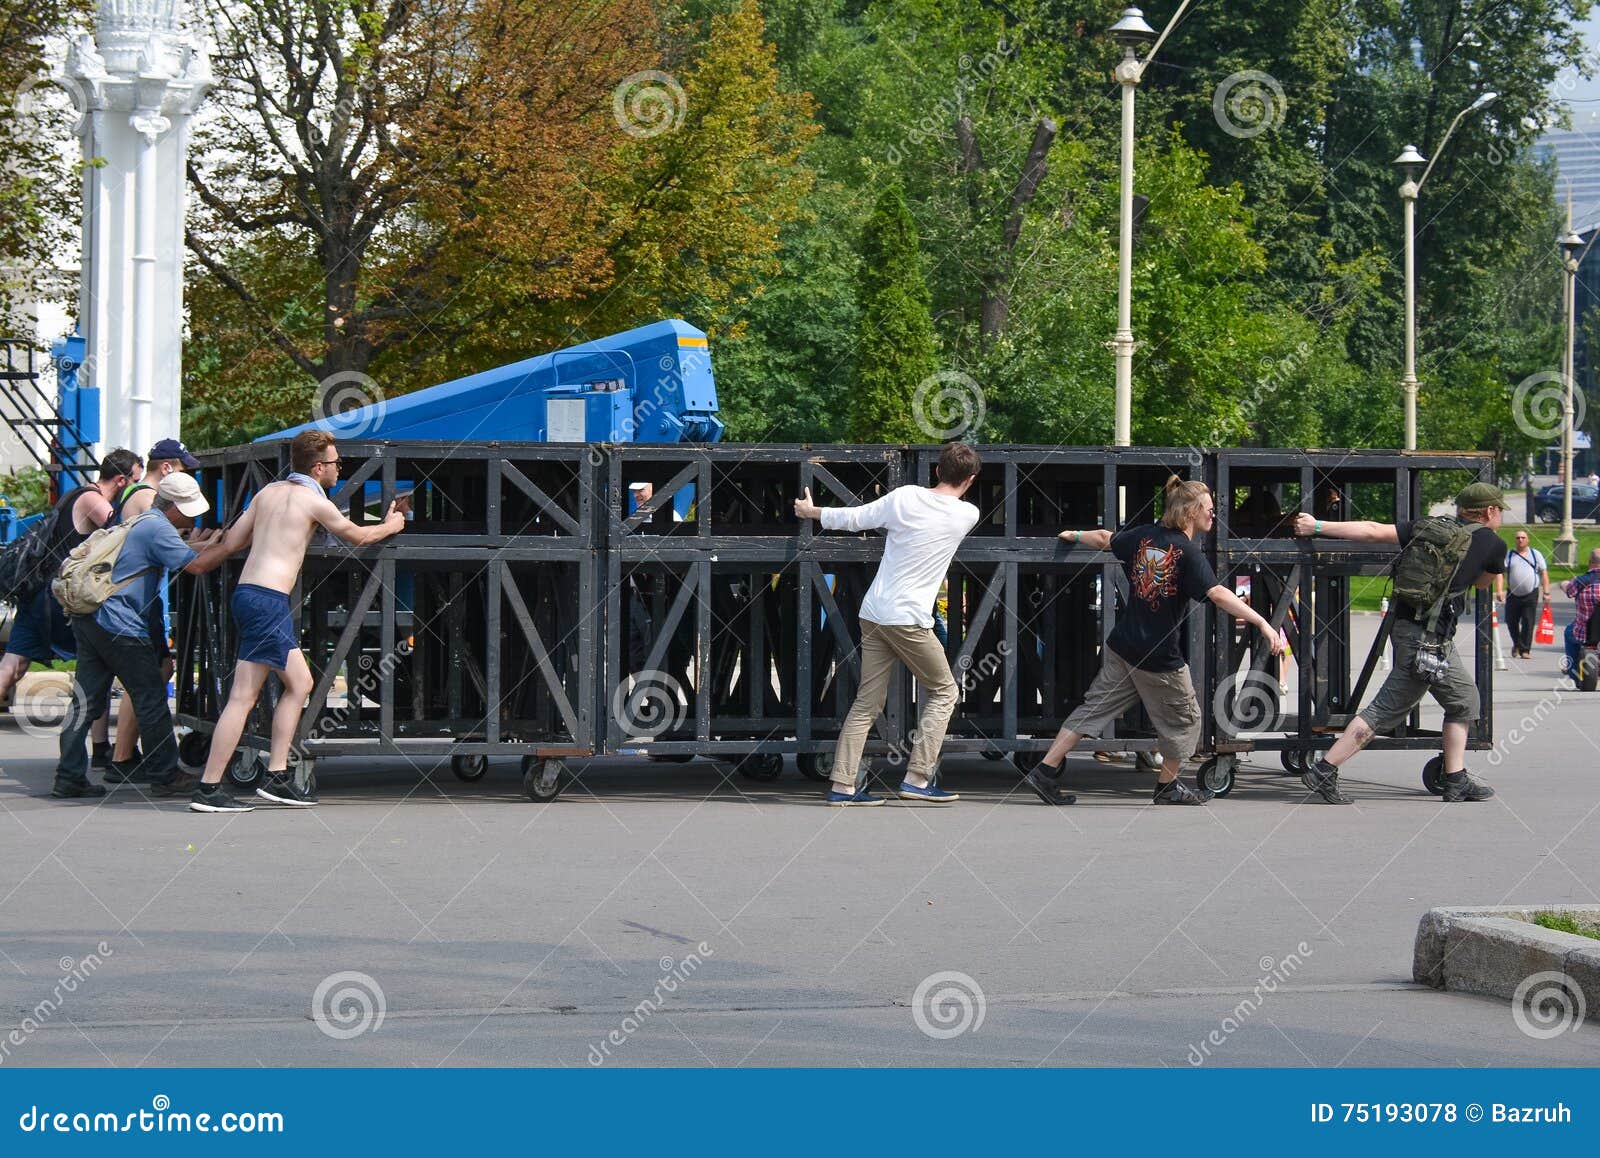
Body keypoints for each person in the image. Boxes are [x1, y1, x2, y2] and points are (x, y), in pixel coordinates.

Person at [1023, 476, 1285, 807]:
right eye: (1208, 508)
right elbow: (1217, 593)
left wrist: (1073, 535)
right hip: (1158, 656)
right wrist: (1262, 622)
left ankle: (1044, 772)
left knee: (1092, 710)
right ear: (1190, 512)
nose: (1213, 514)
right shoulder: (1187, 553)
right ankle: (1167, 787)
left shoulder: (1144, 536)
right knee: (1186, 721)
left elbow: (1104, 538)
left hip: (1124, 647)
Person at [193, 429, 408, 813]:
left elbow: (232, 543)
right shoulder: (313, 501)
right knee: (255, 694)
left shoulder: (267, 493)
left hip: (248, 594)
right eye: (337, 463)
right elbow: (359, 536)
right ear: (318, 467)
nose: (340, 470)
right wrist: (392, 525)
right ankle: (216, 787)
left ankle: (272, 776)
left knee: (281, 686)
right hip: (269, 601)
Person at [1290, 482, 1508, 804]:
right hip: (1428, 640)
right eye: (1500, 510)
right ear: (1490, 511)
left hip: (1411, 629)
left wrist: (1317, 526)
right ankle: (1325, 769)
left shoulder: (1429, 528)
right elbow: (1483, 583)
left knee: (1464, 700)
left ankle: (1455, 778)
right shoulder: (1494, 545)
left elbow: (1372, 530)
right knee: (1384, 711)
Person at [792, 441, 981, 806]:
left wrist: (811, 511)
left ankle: (843, 786)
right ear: (971, 480)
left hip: (875, 612)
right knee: (944, 693)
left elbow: (855, 519)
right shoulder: (967, 514)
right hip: (909, 619)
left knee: (866, 702)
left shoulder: (905, 497)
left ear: (937, 470)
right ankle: (918, 778)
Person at [51, 474, 231, 798]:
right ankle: (165, 775)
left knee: (85, 702)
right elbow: (197, 566)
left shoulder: (143, 522)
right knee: (150, 699)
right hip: (120, 625)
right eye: (189, 510)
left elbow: (182, 552)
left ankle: (69, 776)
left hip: (92, 618)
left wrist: (208, 544)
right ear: (173, 507)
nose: (194, 518)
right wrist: (231, 545)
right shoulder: (157, 528)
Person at [0, 450, 140, 718]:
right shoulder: (93, 500)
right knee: (100, 657)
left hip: (38, 590)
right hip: (57, 595)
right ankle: (95, 735)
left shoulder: (75, 493)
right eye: (135, 481)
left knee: (14, 664)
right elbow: (125, 536)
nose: (136, 489)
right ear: (121, 480)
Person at [101, 439, 203, 778]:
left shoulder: (135, 496)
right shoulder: (146, 499)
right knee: (149, 676)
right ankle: (124, 758)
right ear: (168, 467)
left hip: (140, 600)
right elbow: (172, 547)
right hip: (138, 604)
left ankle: (123, 754)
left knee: (157, 672)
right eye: (183, 469)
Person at [1495, 529, 1548, 659]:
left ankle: (1525, 650)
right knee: (1511, 621)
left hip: (1531, 593)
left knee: (1528, 621)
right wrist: (1500, 590)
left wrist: (1546, 592)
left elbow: (1543, 573)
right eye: (1518, 538)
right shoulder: (1510, 555)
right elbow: (1500, 573)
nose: (1520, 540)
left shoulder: (1535, 554)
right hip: (1513, 594)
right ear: (1515, 540)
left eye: (1523, 537)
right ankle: (1517, 643)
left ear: (1528, 539)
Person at [1561, 548, 1600, 685]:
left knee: (1569, 632)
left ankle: (1573, 671)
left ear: (1590, 562)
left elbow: (1569, 591)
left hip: (1585, 633)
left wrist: (1563, 584)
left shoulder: (1581, 581)